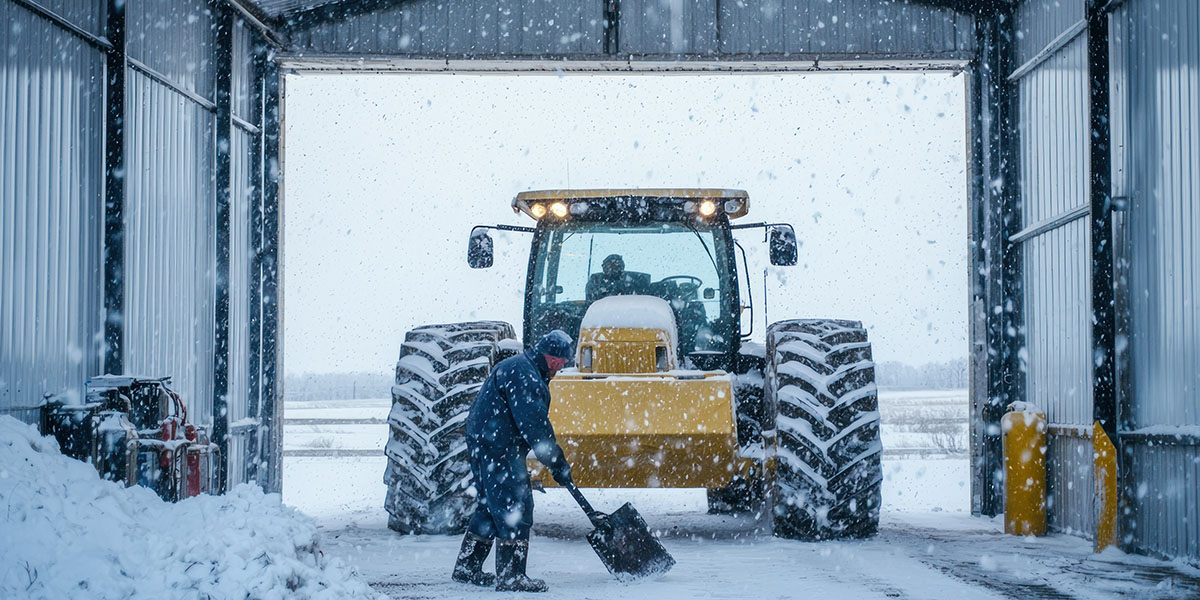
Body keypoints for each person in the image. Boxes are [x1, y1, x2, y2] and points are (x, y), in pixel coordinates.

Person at [452, 330, 576, 592]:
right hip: (499, 445)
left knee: (489, 504)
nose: (563, 366)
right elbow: (535, 426)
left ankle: (467, 568)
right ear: (551, 356)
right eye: (562, 361)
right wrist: (557, 463)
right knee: (515, 505)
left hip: (485, 441)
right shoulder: (525, 374)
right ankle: (511, 576)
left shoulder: (520, 366)